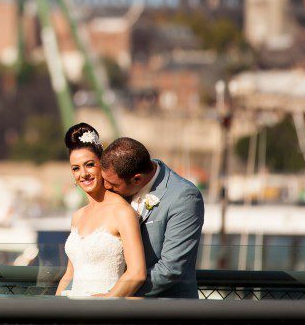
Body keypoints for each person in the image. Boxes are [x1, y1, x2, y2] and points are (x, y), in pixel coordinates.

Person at [100, 137, 205, 299]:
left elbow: (171, 269)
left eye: (113, 185)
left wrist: (115, 294)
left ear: (137, 179)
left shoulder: (184, 197)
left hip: (162, 310)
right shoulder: (117, 189)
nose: (106, 188)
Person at [55, 123, 146, 297]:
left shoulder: (122, 212)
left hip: (105, 313)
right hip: (72, 312)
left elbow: (136, 273)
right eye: (76, 168)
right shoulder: (78, 216)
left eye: (89, 165)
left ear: (102, 165)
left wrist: (103, 304)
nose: (83, 174)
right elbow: (69, 275)